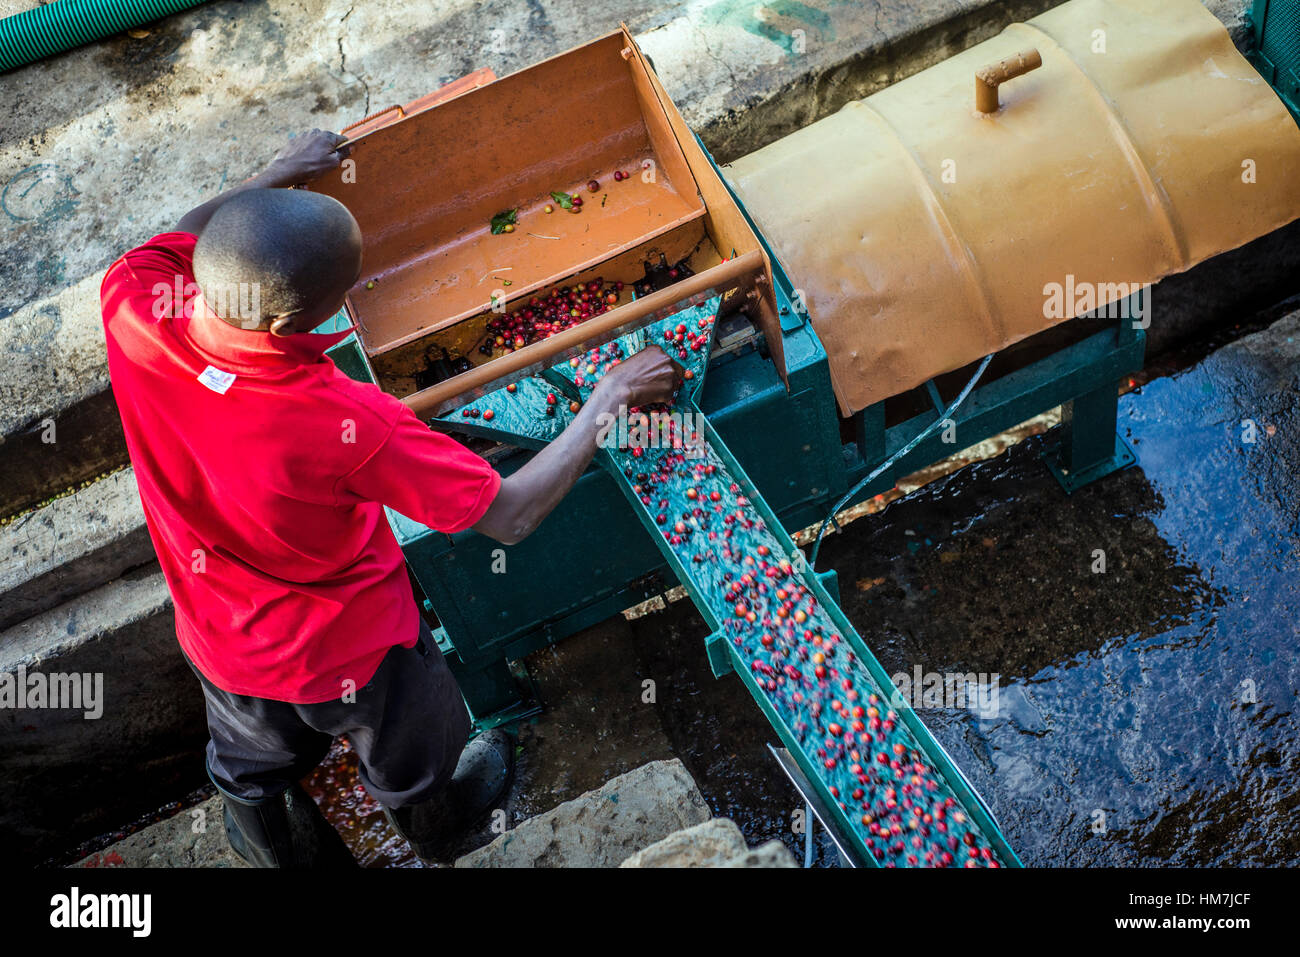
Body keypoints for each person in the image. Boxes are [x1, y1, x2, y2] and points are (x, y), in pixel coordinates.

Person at [100, 129, 681, 867]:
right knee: (412, 753)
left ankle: (272, 845)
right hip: (353, 651)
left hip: (220, 636)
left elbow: (188, 231)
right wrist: (608, 397)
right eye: (342, 294)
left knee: (251, 761)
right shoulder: (340, 420)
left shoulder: (133, 304)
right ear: (286, 324)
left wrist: (275, 173)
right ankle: (439, 825)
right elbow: (511, 513)